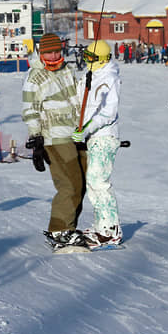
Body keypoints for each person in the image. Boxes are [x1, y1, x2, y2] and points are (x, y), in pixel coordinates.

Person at [22, 33, 88, 249]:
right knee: (69, 185)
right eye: (49, 52)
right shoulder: (35, 77)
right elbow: (30, 109)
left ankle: (68, 227)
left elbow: (78, 99)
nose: (53, 56)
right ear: (41, 53)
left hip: (75, 134)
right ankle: (59, 230)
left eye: (57, 51)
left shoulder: (67, 70)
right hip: (54, 138)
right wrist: (37, 139)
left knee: (82, 184)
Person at [74, 40, 123, 249]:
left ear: (103, 59)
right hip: (90, 137)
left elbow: (108, 113)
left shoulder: (110, 79)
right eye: (86, 57)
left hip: (104, 136)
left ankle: (110, 230)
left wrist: (87, 127)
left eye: (92, 58)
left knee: (98, 180)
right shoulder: (88, 76)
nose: (88, 62)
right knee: (92, 183)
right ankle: (100, 225)